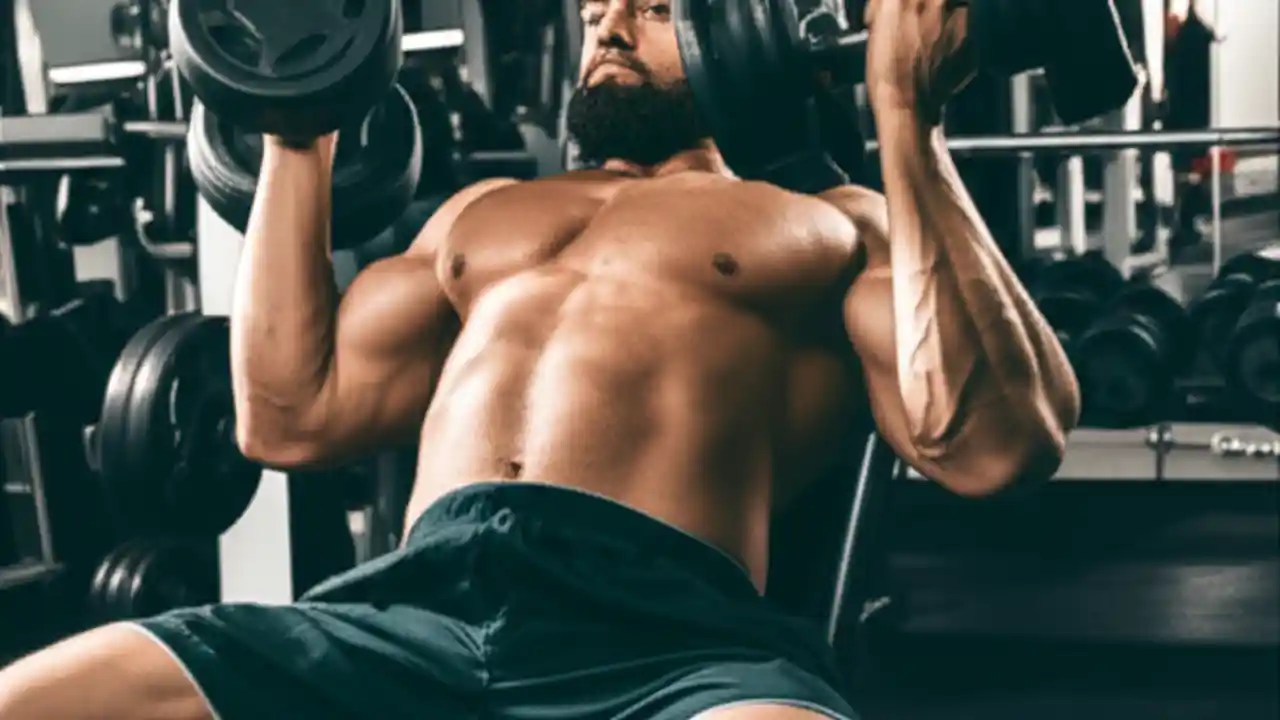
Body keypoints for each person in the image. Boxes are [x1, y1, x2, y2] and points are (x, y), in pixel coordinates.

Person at [0, 0, 1079, 718]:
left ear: (749, 32)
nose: (606, 25)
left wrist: (906, 120)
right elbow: (291, 418)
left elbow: (990, 447)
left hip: (668, 644)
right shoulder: (482, 212)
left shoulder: (828, 219)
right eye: (599, 7)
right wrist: (297, 125)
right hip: (406, 612)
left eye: (650, 11)